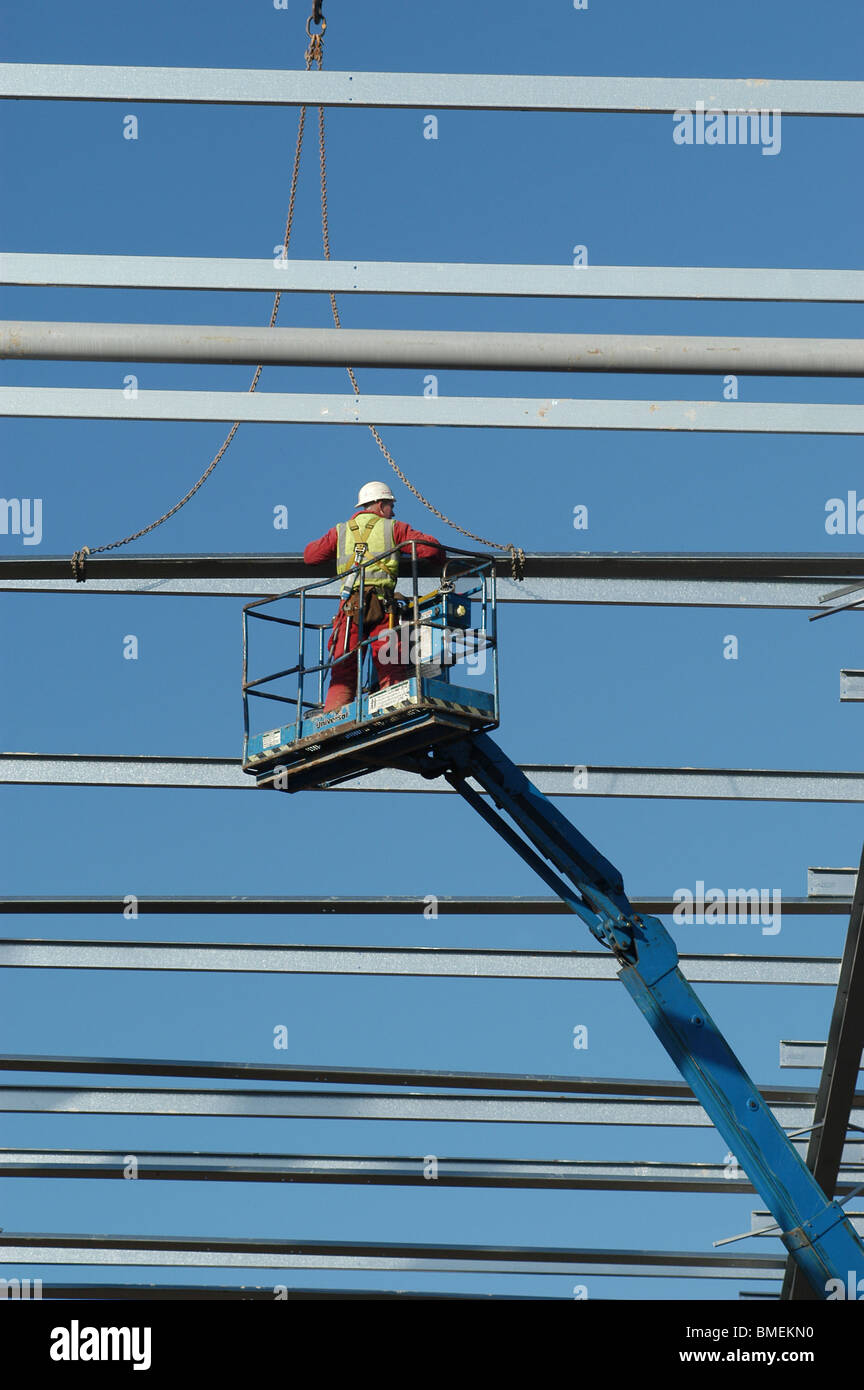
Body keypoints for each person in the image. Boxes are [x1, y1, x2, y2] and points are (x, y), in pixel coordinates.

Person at [303, 481, 445, 711]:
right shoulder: (393, 528)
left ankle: (333, 715)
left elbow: (310, 556)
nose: (393, 511)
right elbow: (430, 548)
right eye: (390, 505)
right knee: (388, 658)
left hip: (350, 608)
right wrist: (442, 560)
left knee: (343, 663)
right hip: (382, 607)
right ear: (380, 505)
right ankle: (395, 705)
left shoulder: (340, 531)